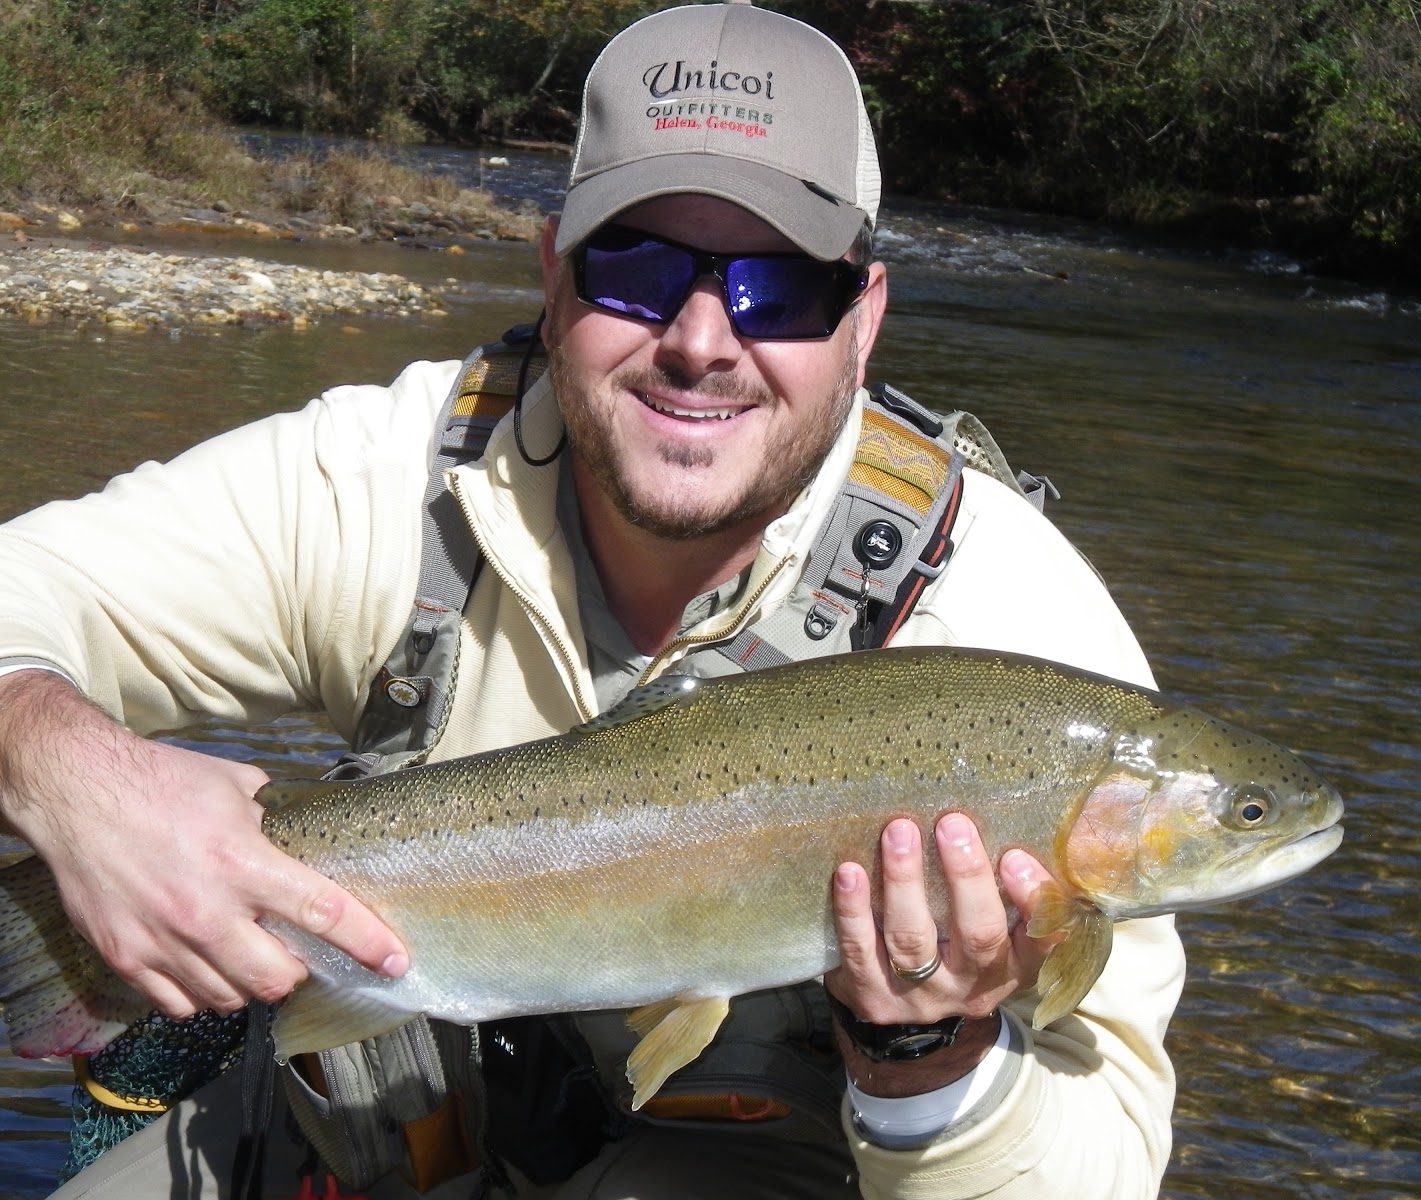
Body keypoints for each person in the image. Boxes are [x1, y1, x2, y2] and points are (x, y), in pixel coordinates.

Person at [0, 2, 1185, 1197]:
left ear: (864, 319)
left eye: (778, 288)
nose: (701, 339)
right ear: (555, 274)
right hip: (392, 1114)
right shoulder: (398, 473)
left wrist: (927, 1054)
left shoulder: (1009, 618)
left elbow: (1102, 1171)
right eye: (639, 266)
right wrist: (69, 771)